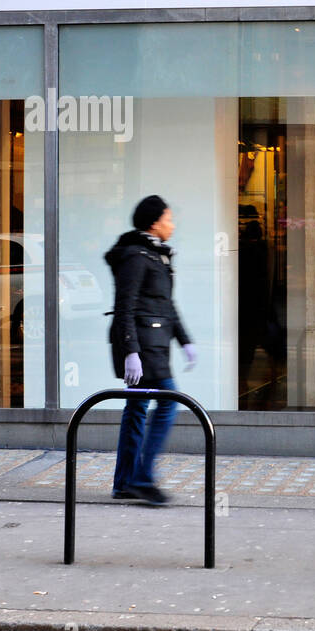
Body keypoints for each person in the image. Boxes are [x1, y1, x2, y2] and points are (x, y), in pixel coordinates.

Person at [105, 195, 197, 505]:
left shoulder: (156, 256)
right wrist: (131, 352)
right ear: (154, 223)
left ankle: (125, 483)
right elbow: (124, 306)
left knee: (136, 410)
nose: (173, 224)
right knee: (169, 402)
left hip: (153, 345)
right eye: (169, 219)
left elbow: (166, 306)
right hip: (144, 349)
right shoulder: (136, 256)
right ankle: (143, 478)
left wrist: (185, 341)